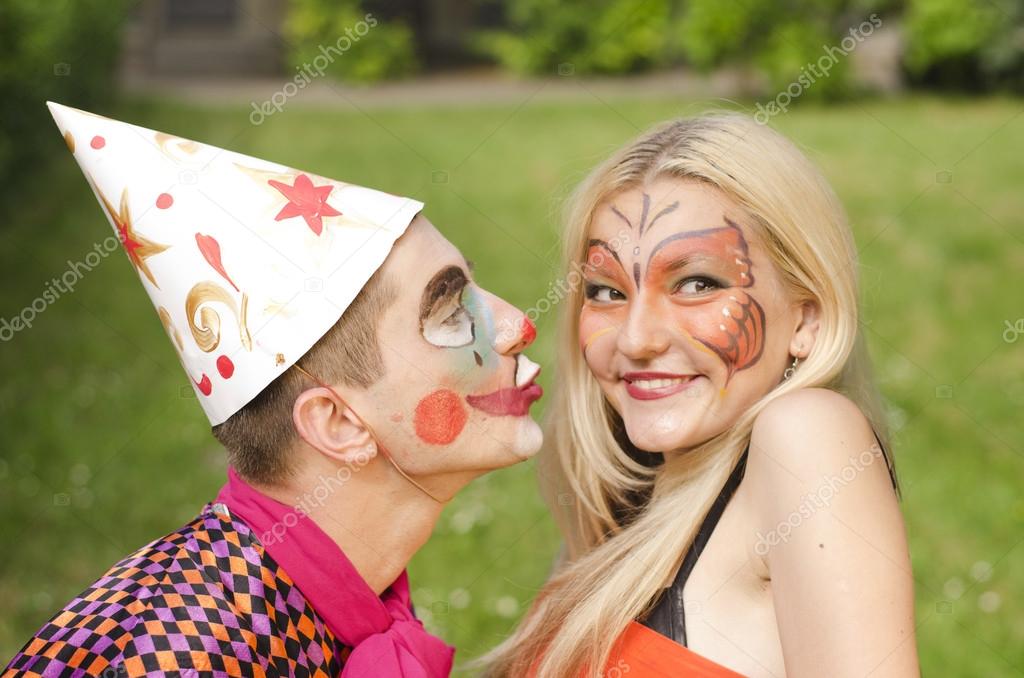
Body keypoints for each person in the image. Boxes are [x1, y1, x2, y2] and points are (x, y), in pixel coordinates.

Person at [4, 103, 543, 677]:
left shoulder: (326, 591)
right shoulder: (184, 659)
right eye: (451, 313)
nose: (518, 325)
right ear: (338, 423)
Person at [484, 113, 918, 677]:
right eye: (607, 291)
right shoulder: (626, 495)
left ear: (806, 318)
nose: (635, 339)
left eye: (696, 284)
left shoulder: (806, 435)